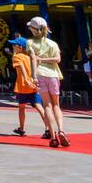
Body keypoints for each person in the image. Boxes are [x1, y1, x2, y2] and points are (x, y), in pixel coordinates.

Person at [27, 16, 69, 148]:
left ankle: (53, 136)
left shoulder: (30, 43)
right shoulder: (53, 44)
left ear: (34, 29)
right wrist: (46, 60)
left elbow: (33, 60)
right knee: (56, 105)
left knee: (47, 106)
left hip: (40, 74)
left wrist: (33, 76)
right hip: (53, 75)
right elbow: (58, 59)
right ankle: (61, 130)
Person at [8, 36, 48, 136]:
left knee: (22, 106)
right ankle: (48, 128)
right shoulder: (31, 56)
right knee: (39, 106)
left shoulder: (17, 57)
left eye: (14, 45)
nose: (13, 46)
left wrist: (25, 79)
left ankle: (21, 128)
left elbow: (21, 67)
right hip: (34, 83)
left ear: (20, 47)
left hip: (23, 85)